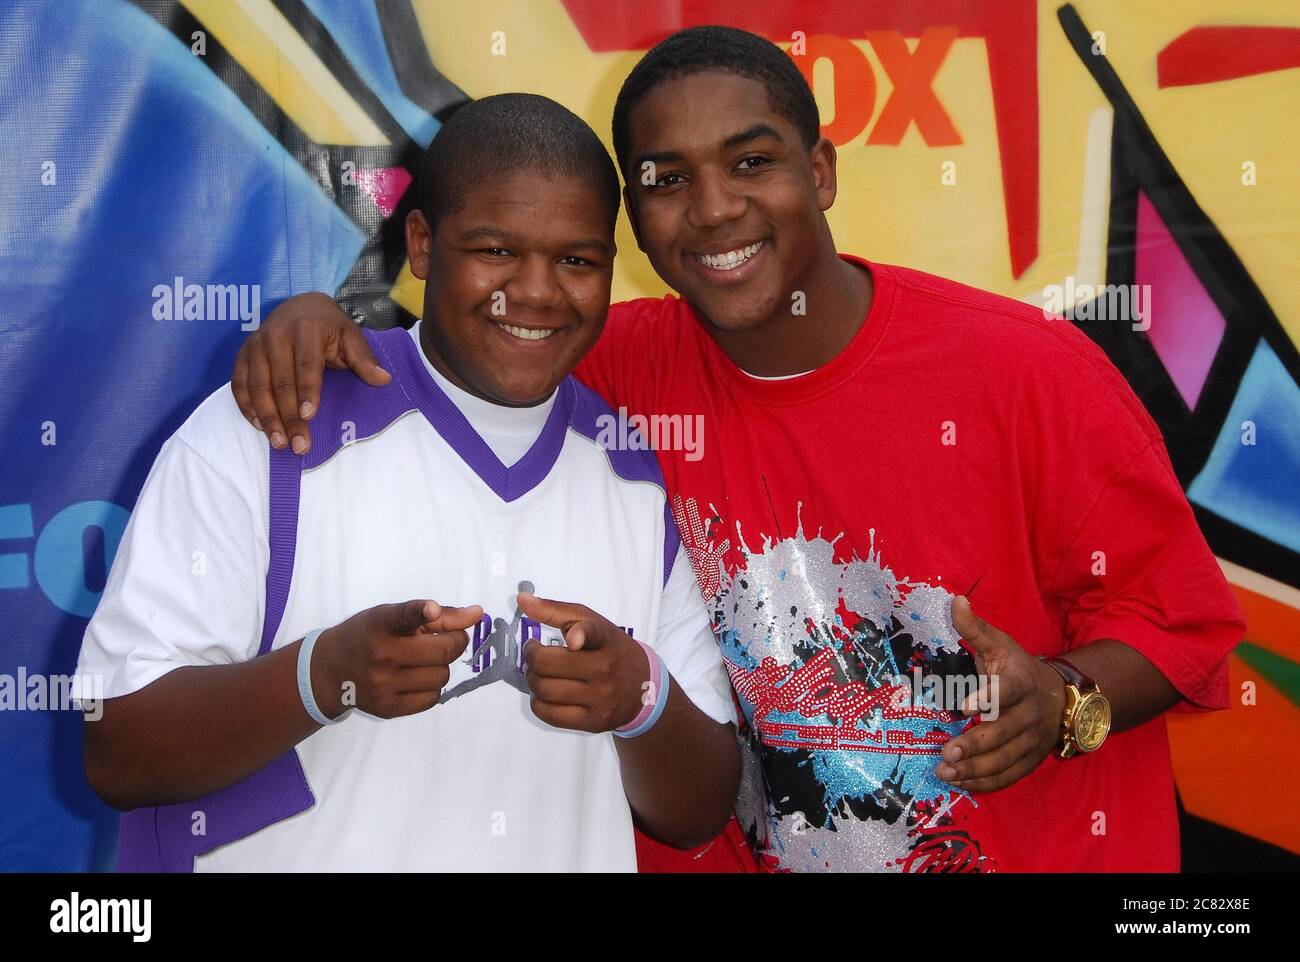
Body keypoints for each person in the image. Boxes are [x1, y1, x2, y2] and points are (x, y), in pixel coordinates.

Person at [230, 28, 1245, 872]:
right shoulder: (605, 368)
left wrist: (1062, 702)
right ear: (632, 216)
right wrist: (323, 318)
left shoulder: (1029, 374)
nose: (713, 208)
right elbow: (466, 348)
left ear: (821, 170)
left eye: (750, 162)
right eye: (667, 179)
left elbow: (1179, 621)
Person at [74, 92, 739, 872]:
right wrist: (323, 675)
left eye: (576, 260)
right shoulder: (280, 419)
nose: (534, 290)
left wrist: (640, 697)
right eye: (495, 250)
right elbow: (116, 750)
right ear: (422, 244)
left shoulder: (628, 469)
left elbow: (696, 812)